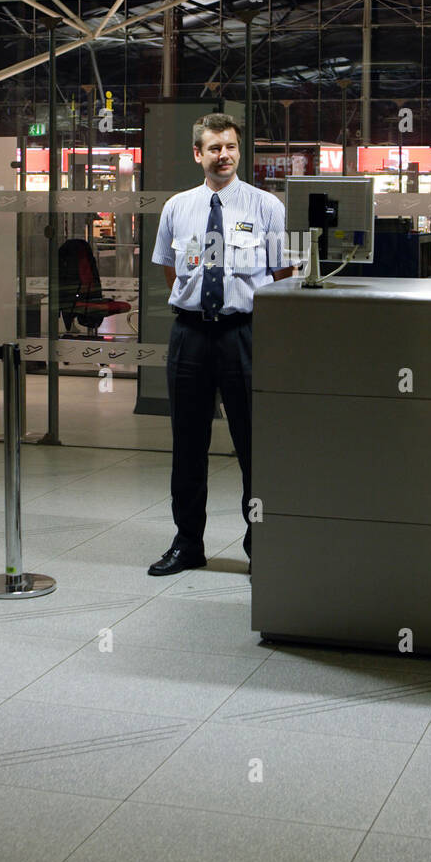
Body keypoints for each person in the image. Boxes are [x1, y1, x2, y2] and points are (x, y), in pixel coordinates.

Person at [149, 113, 291, 576]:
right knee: (187, 444)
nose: (223, 155)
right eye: (214, 148)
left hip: (242, 335)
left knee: (255, 445)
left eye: (230, 146)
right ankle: (188, 542)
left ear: (238, 151)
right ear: (198, 154)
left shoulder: (266, 206)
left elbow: (282, 272)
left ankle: (262, 545)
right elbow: (172, 271)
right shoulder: (177, 208)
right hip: (189, 334)